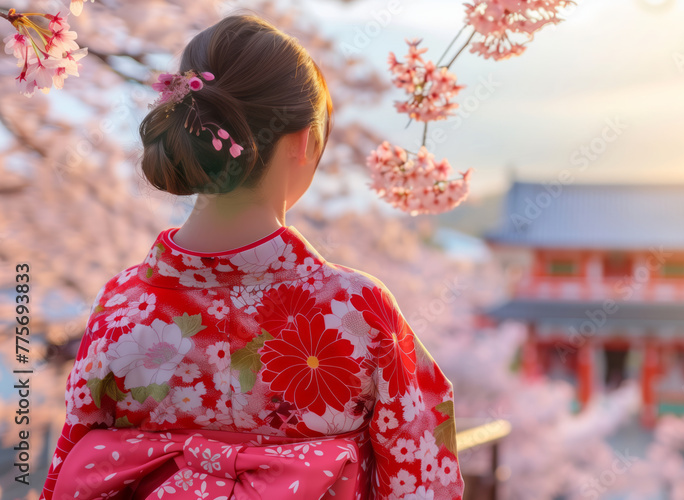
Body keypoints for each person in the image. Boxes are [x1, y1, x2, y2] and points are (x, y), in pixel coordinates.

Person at [39, 14, 464, 499]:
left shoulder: (121, 307)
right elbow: (422, 477)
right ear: (304, 141)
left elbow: (73, 469)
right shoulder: (357, 309)